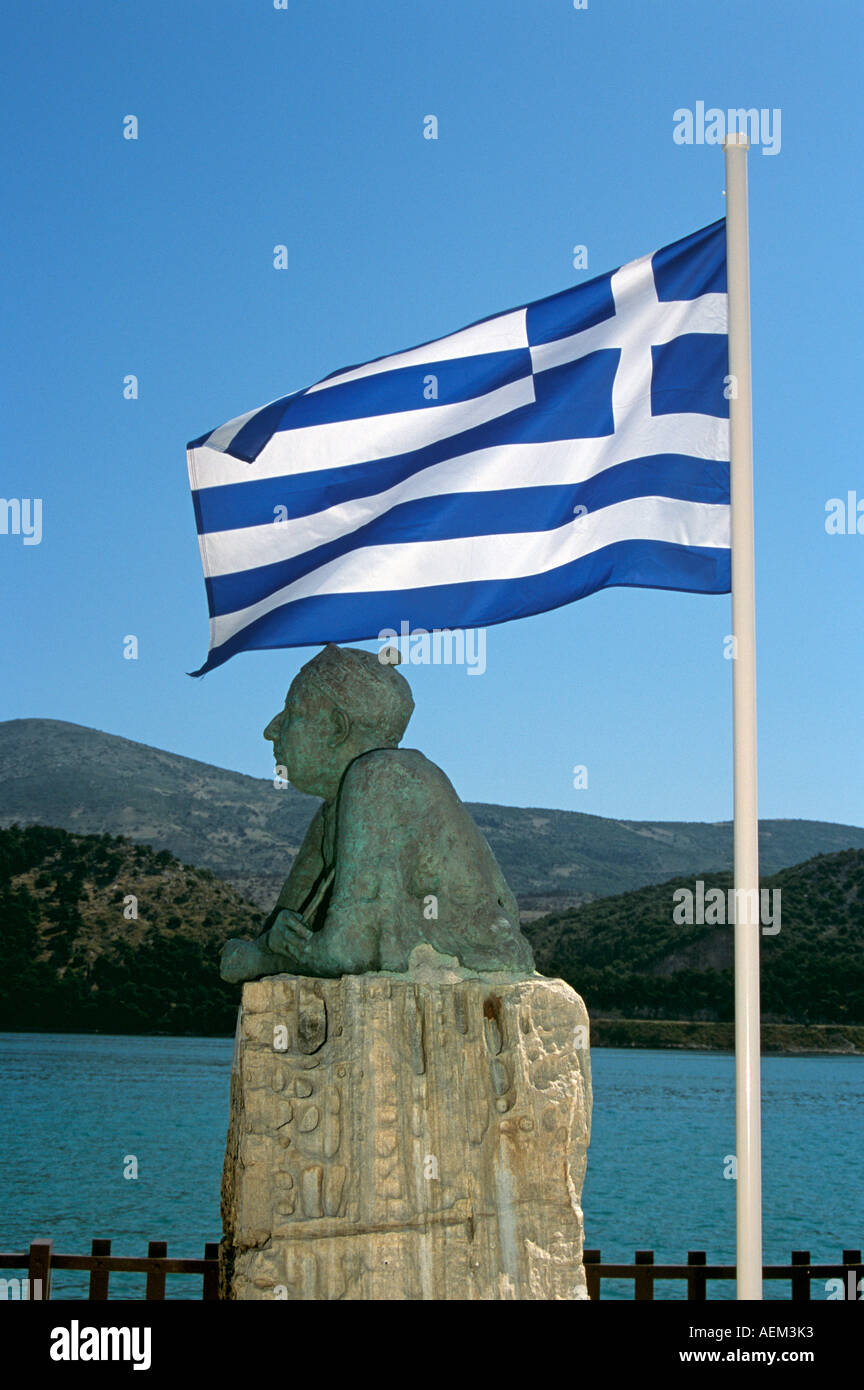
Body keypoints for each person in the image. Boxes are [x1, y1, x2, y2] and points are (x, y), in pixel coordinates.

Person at [220, 644, 535, 981]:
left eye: (293, 712)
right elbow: (281, 928)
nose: (271, 729)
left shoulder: (380, 775)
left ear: (337, 727)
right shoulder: (335, 806)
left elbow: (346, 953)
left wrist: (264, 958)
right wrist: (271, 943)